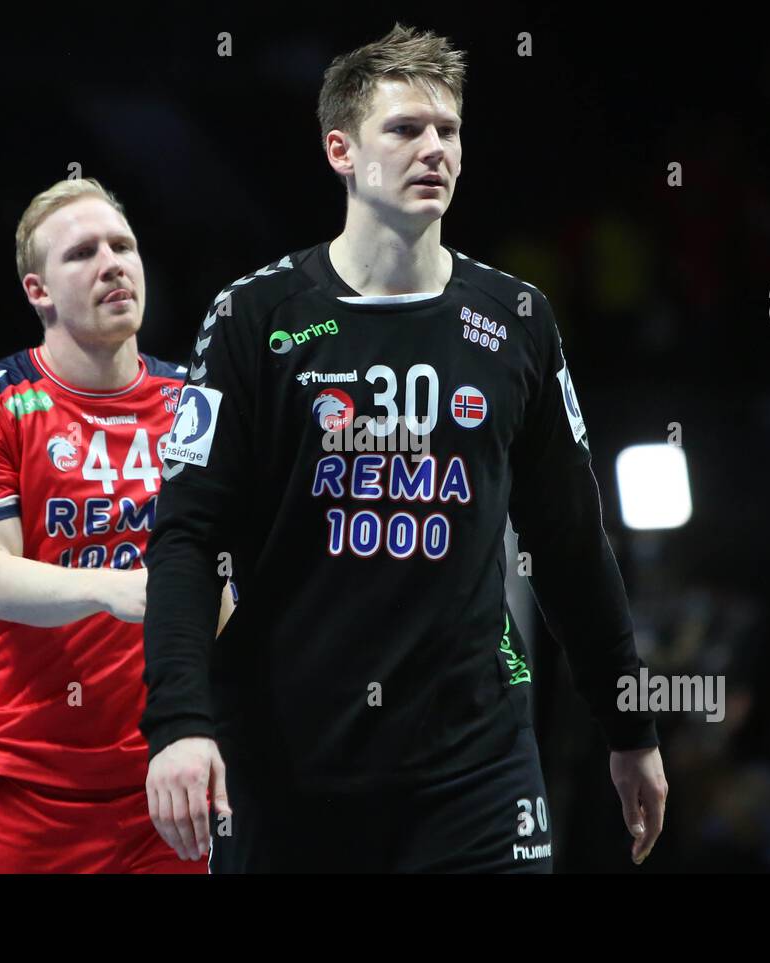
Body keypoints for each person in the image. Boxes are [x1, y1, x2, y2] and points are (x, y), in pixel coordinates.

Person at [141, 24, 666, 873]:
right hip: (290, 760)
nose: (434, 149)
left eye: (448, 130)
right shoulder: (253, 318)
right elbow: (186, 539)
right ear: (340, 149)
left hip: (475, 762)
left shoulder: (517, 321)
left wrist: (629, 723)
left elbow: (570, 541)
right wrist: (178, 724)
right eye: (406, 129)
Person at [0, 177, 231, 873]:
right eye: (83, 252)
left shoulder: (196, 406)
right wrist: (118, 589)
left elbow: (230, 576)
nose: (113, 263)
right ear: (38, 290)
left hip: (170, 776)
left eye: (123, 245)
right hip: (28, 785)